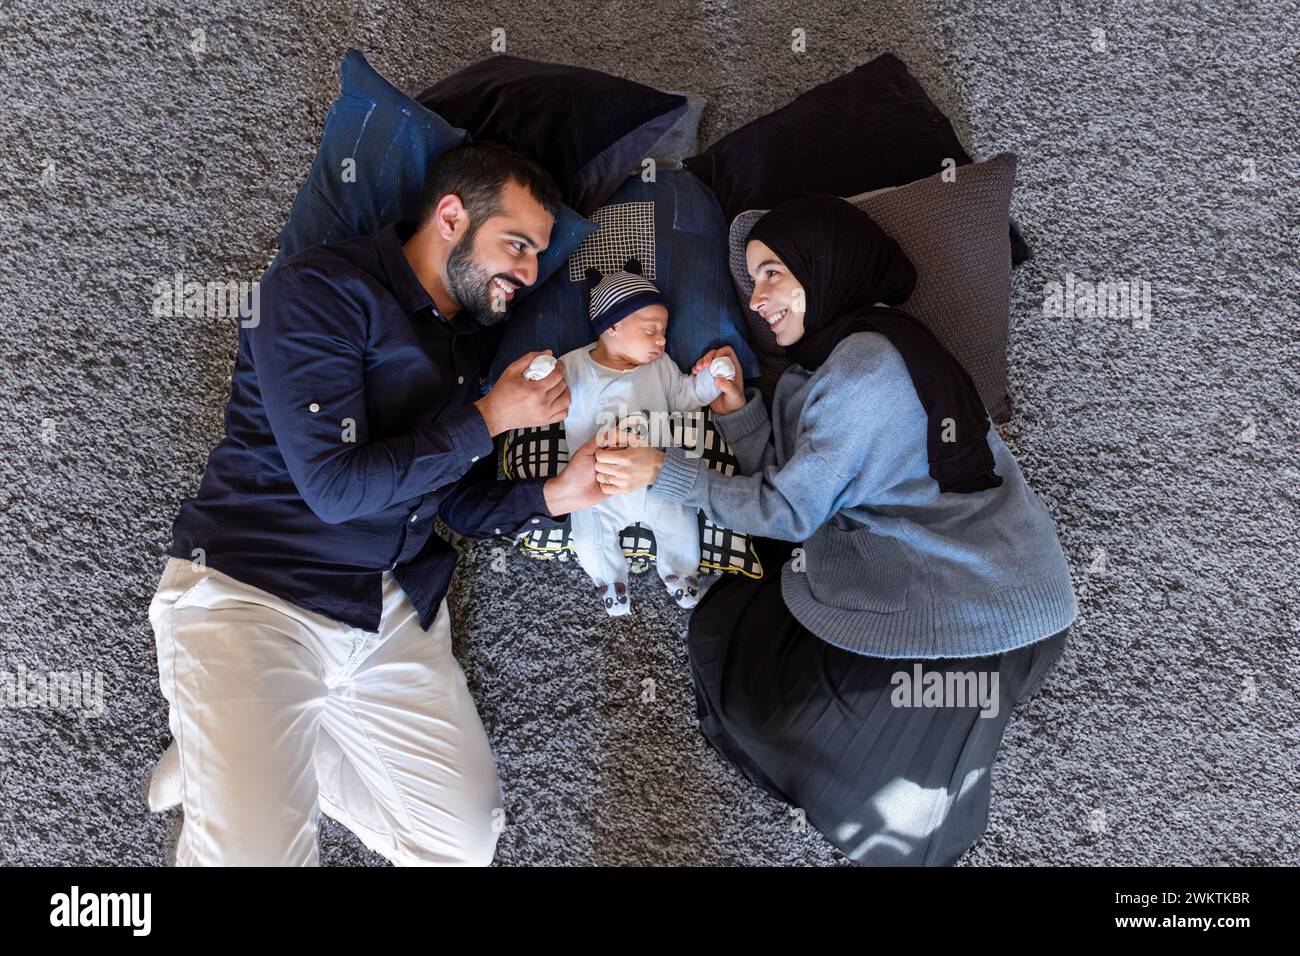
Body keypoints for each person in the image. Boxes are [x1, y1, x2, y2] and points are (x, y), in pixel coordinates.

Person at [144, 141, 608, 866]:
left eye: (537, 256)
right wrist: (489, 419)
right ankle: (236, 747)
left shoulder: (469, 353)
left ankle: (236, 752)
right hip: (260, 594)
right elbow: (334, 488)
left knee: (462, 844)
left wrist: (559, 492)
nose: (526, 273)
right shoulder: (316, 290)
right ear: (452, 215)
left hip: (389, 604)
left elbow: (446, 504)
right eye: (515, 245)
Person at [592, 193, 1078, 865]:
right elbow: (795, 487)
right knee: (753, 627)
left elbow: (786, 514)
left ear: (826, 264)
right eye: (752, 280)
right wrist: (738, 411)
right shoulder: (832, 363)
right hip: (996, 599)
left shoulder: (864, 372)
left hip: (971, 610)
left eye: (772, 272)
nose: (757, 298)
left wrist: (661, 471)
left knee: (776, 702)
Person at [554, 257, 723, 616]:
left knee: (680, 515)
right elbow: (545, 392)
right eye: (651, 330)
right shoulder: (573, 367)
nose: (662, 340)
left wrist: (712, 378)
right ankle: (609, 580)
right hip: (598, 483)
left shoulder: (659, 367)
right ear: (612, 326)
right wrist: (539, 375)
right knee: (586, 532)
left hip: (657, 475)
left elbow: (685, 396)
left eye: (663, 330)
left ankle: (681, 574)